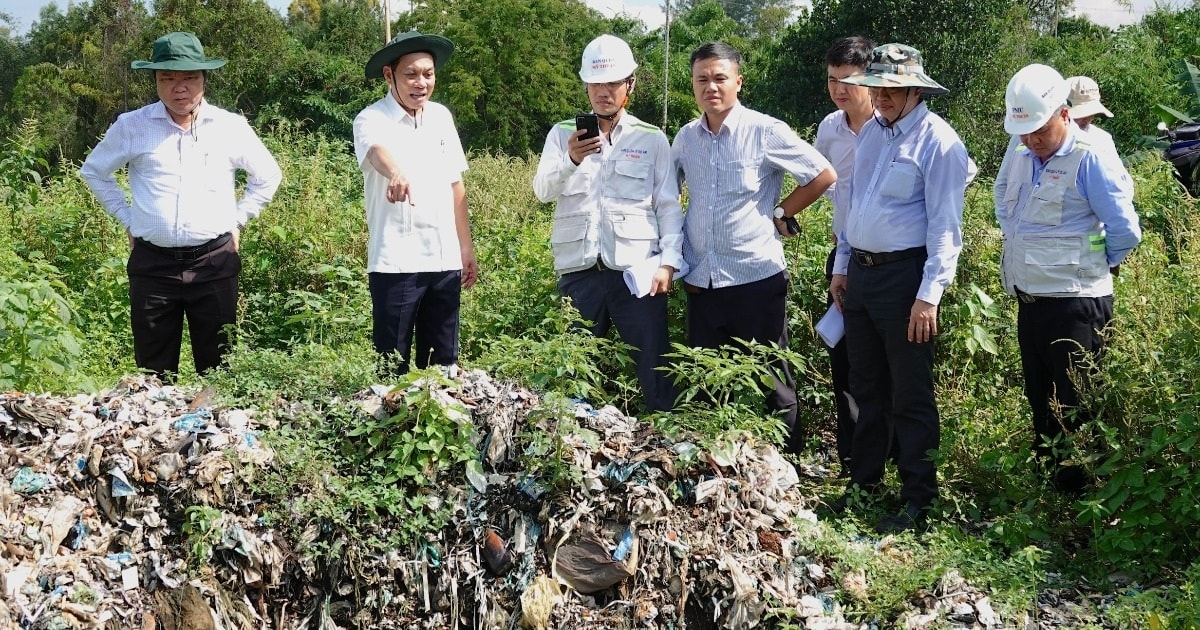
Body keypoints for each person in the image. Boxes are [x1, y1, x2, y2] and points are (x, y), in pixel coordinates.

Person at [80, 31, 282, 381]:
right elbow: (95, 172)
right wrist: (128, 220)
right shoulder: (132, 126)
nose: (179, 88)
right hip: (152, 265)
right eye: (167, 78)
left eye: (189, 78)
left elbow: (268, 175)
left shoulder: (229, 126)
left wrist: (238, 220)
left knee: (219, 371)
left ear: (204, 78)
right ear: (155, 81)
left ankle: (212, 435)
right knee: (152, 373)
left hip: (214, 261)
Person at [830, 43, 969, 532]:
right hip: (864, 275)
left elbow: (946, 230)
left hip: (906, 278)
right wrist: (843, 265)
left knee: (910, 392)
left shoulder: (939, 141)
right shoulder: (872, 133)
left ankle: (919, 499)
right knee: (865, 385)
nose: (882, 97)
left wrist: (929, 295)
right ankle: (865, 484)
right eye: (877, 87)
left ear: (914, 89)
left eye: (892, 89)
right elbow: (852, 204)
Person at [673, 41, 836, 453]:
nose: (711, 87)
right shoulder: (686, 138)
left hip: (755, 279)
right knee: (706, 383)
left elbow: (821, 174)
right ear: (693, 86)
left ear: (738, 81)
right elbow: (666, 194)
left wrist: (781, 212)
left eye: (720, 78)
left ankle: (789, 466)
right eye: (702, 79)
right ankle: (713, 466)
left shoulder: (766, 130)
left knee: (773, 379)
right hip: (701, 281)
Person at [996, 64, 1141, 494]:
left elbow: (1125, 230)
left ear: (1063, 114)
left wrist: (1094, 262)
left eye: (1039, 130)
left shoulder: (1090, 157)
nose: (1031, 141)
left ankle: (1081, 505)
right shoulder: (1021, 153)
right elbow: (1005, 203)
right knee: (1042, 401)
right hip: (1032, 302)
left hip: (1077, 305)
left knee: (1077, 406)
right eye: (1023, 132)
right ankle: (1051, 494)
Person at [533, 34, 683, 413]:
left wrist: (668, 263)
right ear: (586, 85)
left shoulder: (651, 138)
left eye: (613, 82)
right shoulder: (561, 134)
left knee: (654, 365)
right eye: (596, 83)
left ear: (628, 85)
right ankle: (567, 448)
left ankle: (666, 441)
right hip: (579, 270)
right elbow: (541, 192)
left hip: (637, 272)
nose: (604, 91)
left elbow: (667, 205)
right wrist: (570, 159)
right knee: (572, 370)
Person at [353, 31, 477, 375]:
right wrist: (395, 173)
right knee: (392, 366)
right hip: (396, 263)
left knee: (443, 363)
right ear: (388, 75)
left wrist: (465, 249)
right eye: (411, 74)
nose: (421, 83)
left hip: (443, 259)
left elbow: (456, 185)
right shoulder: (371, 118)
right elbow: (376, 151)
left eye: (428, 73)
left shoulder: (440, 117)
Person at [814, 35, 875, 476]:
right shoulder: (828, 129)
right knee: (846, 359)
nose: (839, 90)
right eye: (833, 80)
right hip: (845, 252)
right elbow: (818, 177)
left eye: (848, 81)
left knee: (884, 363)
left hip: (893, 256)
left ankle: (887, 457)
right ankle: (853, 462)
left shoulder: (892, 123)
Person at [1066, 75, 1120, 163]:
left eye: (1090, 113)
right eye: (1081, 114)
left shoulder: (1102, 139)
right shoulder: (1045, 141)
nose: (1086, 119)